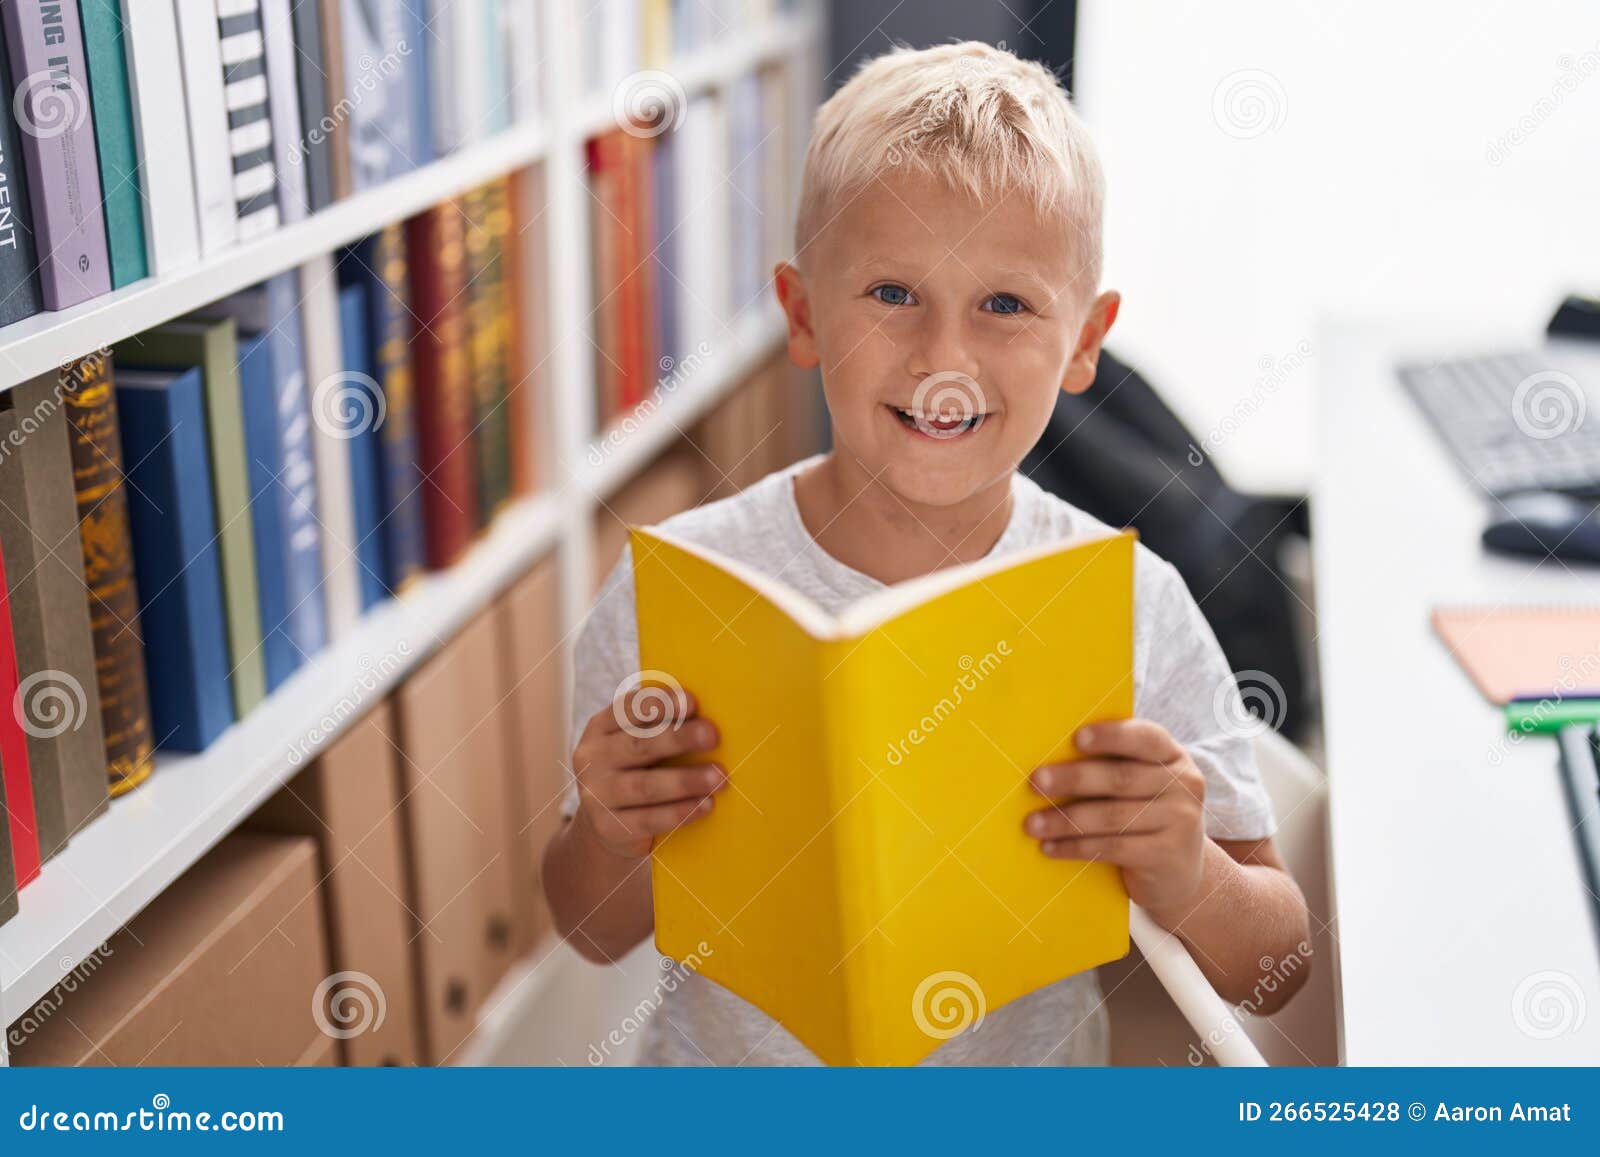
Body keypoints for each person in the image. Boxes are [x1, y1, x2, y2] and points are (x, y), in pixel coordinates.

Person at [543, 41, 1311, 1065]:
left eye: (1004, 304)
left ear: (1084, 340)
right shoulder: (679, 589)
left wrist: (1190, 872)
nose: (944, 361)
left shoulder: (1127, 598)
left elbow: (1275, 968)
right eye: (892, 293)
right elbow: (591, 930)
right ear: (805, 312)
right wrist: (610, 828)